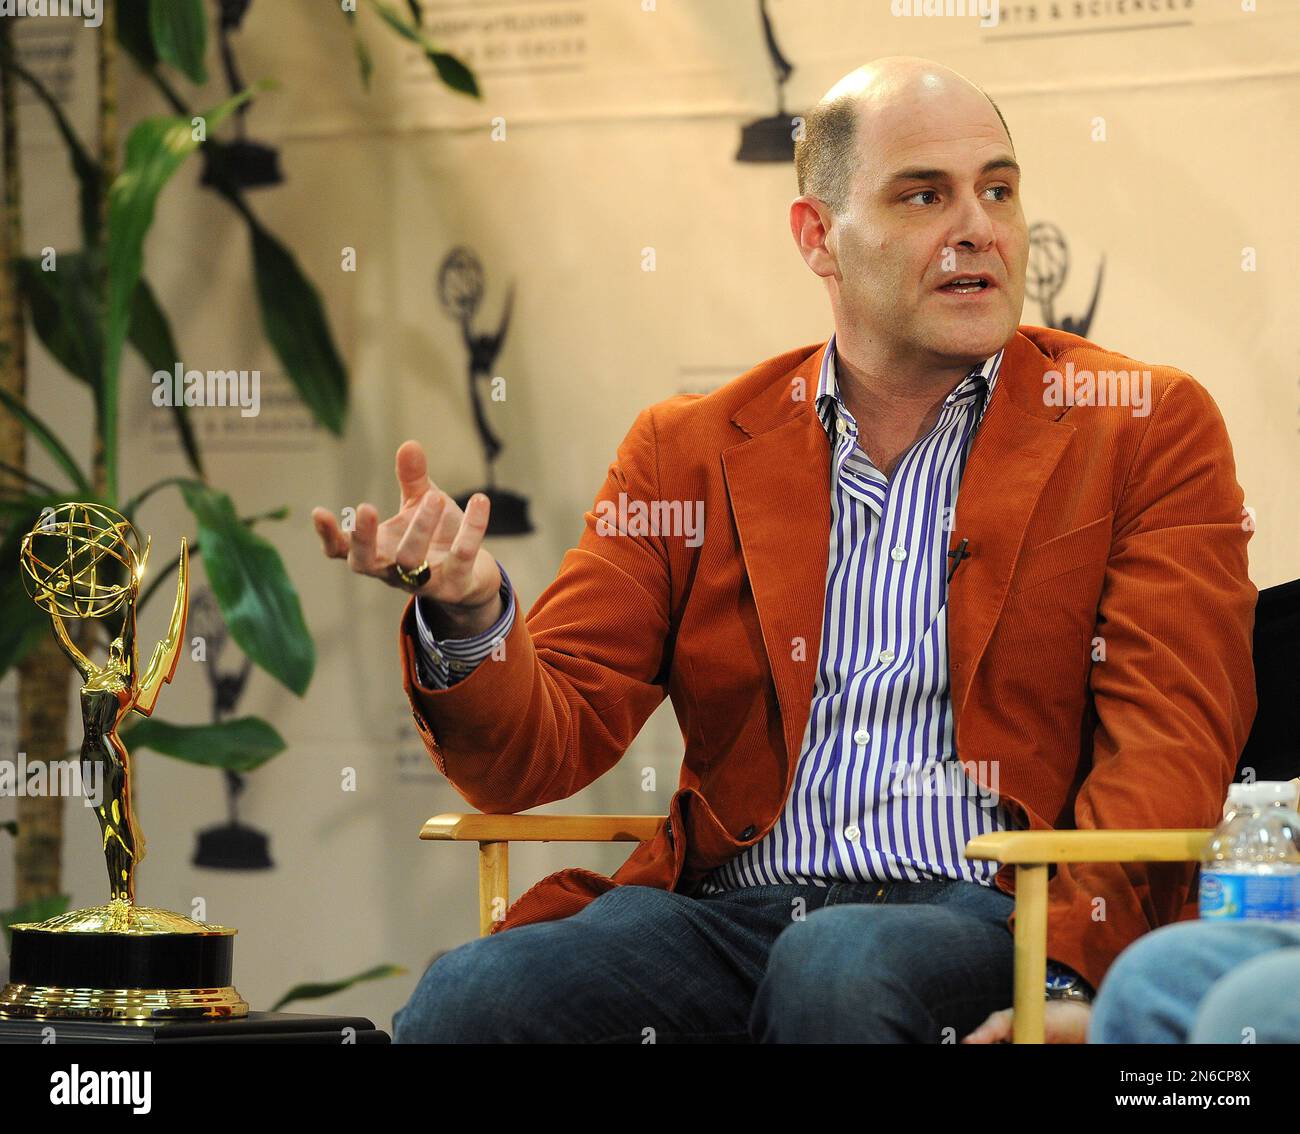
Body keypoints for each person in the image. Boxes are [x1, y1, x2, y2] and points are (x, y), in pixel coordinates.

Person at [313, 56, 1256, 1043]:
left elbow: (1169, 742)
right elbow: (534, 752)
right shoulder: (688, 451)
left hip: (996, 915)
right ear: (819, 237)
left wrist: (1064, 978)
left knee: (839, 960)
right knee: (477, 998)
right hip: (731, 913)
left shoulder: (1139, 426)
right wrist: (469, 614)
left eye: (999, 190)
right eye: (923, 195)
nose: (978, 226)